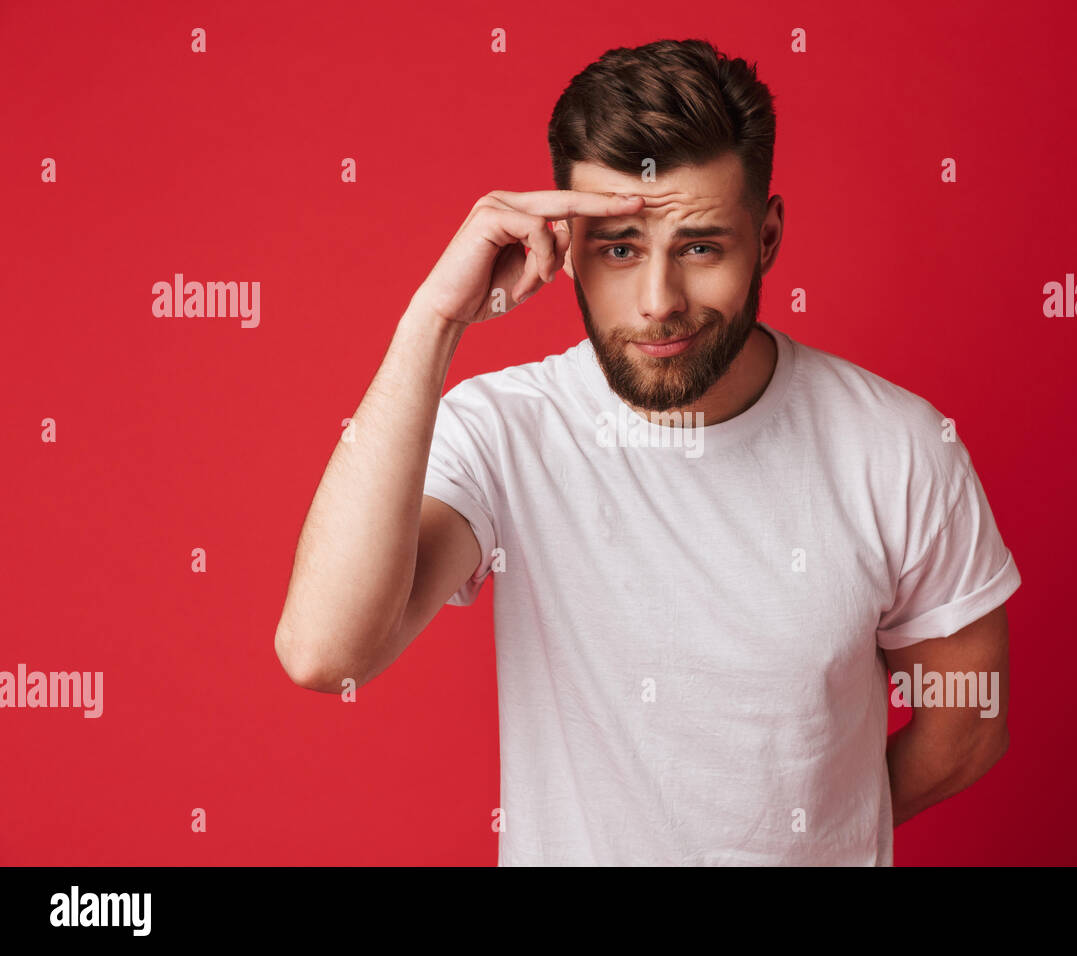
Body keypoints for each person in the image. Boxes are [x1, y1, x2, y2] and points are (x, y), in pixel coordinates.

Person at [274, 38, 1022, 865]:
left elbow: (967, 727)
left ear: (766, 237)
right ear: (564, 247)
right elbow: (324, 652)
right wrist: (434, 320)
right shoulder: (505, 431)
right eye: (619, 248)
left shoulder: (901, 448)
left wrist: (817, 834)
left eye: (700, 246)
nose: (659, 302)